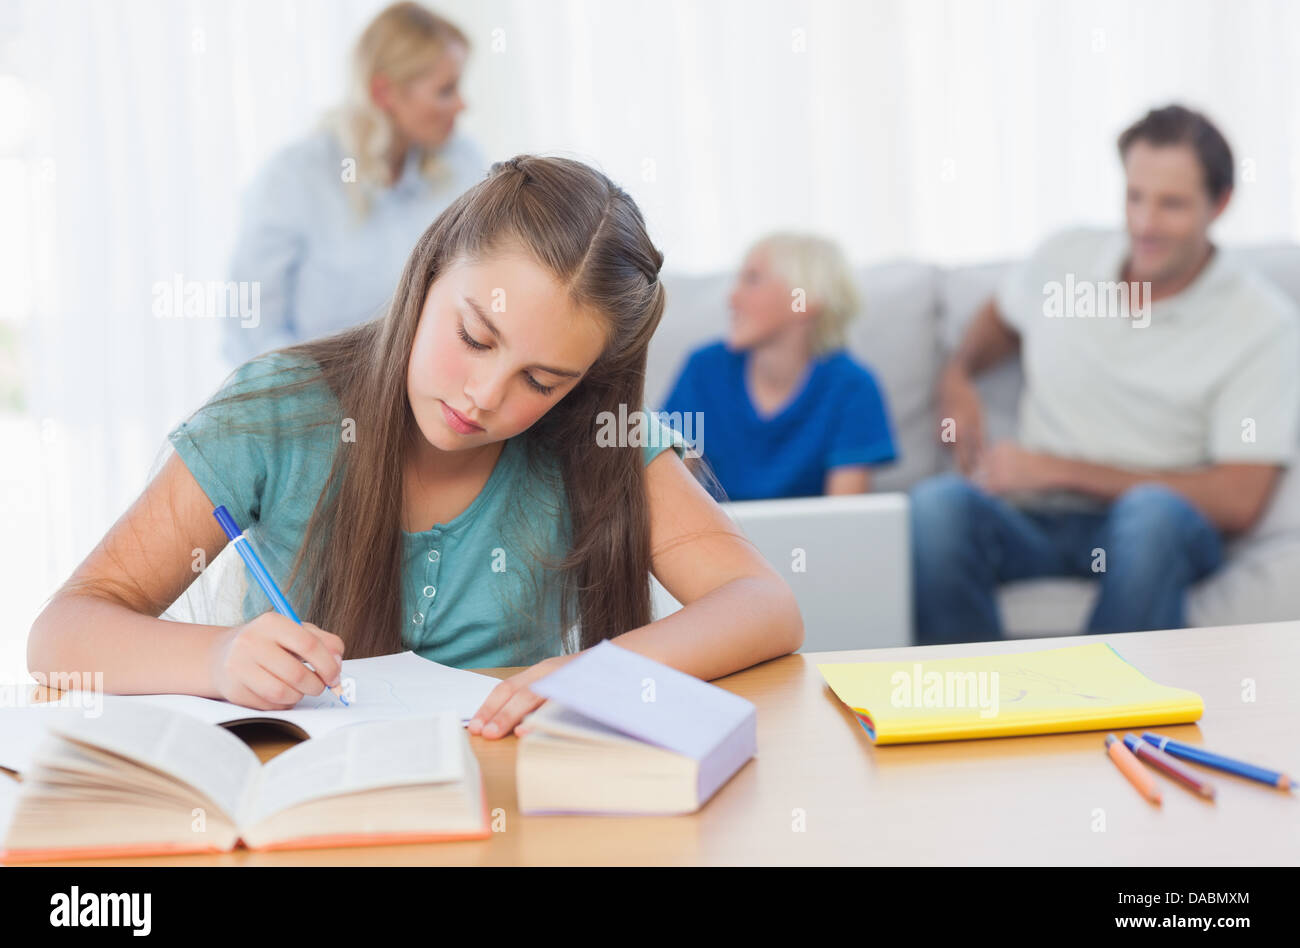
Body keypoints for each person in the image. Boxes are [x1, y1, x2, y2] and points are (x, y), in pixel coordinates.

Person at [28, 156, 804, 740]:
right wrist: (217, 660)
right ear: (427, 272)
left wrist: (601, 673)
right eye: (473, 336)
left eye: (541, 379)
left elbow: (764, 604)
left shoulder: (594, 439)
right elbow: (61, 636)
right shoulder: (275, 412)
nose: (485, 395)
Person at [912, 104, 1300, 644]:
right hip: (1032, 520)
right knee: (937, 506)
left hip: (1153, 528)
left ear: (1221, 204)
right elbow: (999, 319)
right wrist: (957, 377)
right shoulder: (1068, 257)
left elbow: (1238, 499)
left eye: (1172, 205)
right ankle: (970, 716)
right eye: (1134, 197)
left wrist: (1056, 469)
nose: (1144, 225)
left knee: (1151, 516)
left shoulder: (1260, 323)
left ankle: (1103, 716)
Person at [223, 2, 488, 367]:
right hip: (315, 399)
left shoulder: (464, 163)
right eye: (445, 90)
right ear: (384, 94)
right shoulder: (294, 178)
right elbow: (250, 327)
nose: (462, 105)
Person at [658, 232, 896, 501]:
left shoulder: (853, 388)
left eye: (753, 279)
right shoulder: (703, 370)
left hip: (810, 543)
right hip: (717, 540)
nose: (732, 298)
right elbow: (668, 493)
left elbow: (845, 522)